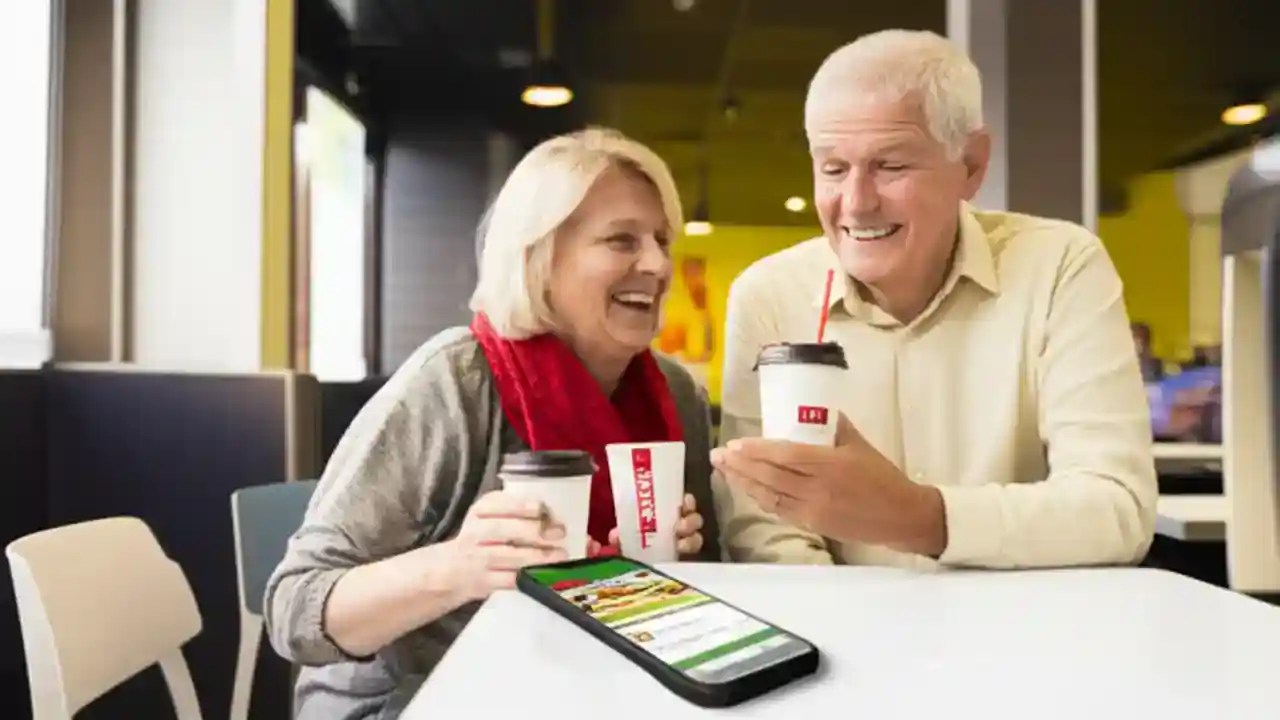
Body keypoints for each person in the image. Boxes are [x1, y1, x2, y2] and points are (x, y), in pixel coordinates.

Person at [265, 127, 720, 718]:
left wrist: (674, 564)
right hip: (417, 699)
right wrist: (460, 567)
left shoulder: (676, 394)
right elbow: (294, 611)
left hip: (595, 687)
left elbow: (712, 585)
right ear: (540, 259)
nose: (659, 265)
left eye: (661, 239)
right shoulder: (456, 380)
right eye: (621, 240)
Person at [710, 30, 1157, 570]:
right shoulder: (769, 297)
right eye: (833, 168)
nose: (856, 203)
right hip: (843, 641)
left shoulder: (1060, 267)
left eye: (891, 166)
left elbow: (1118, 509)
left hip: (1025, 640)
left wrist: (919, 516)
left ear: (971, 165)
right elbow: (763, 528)